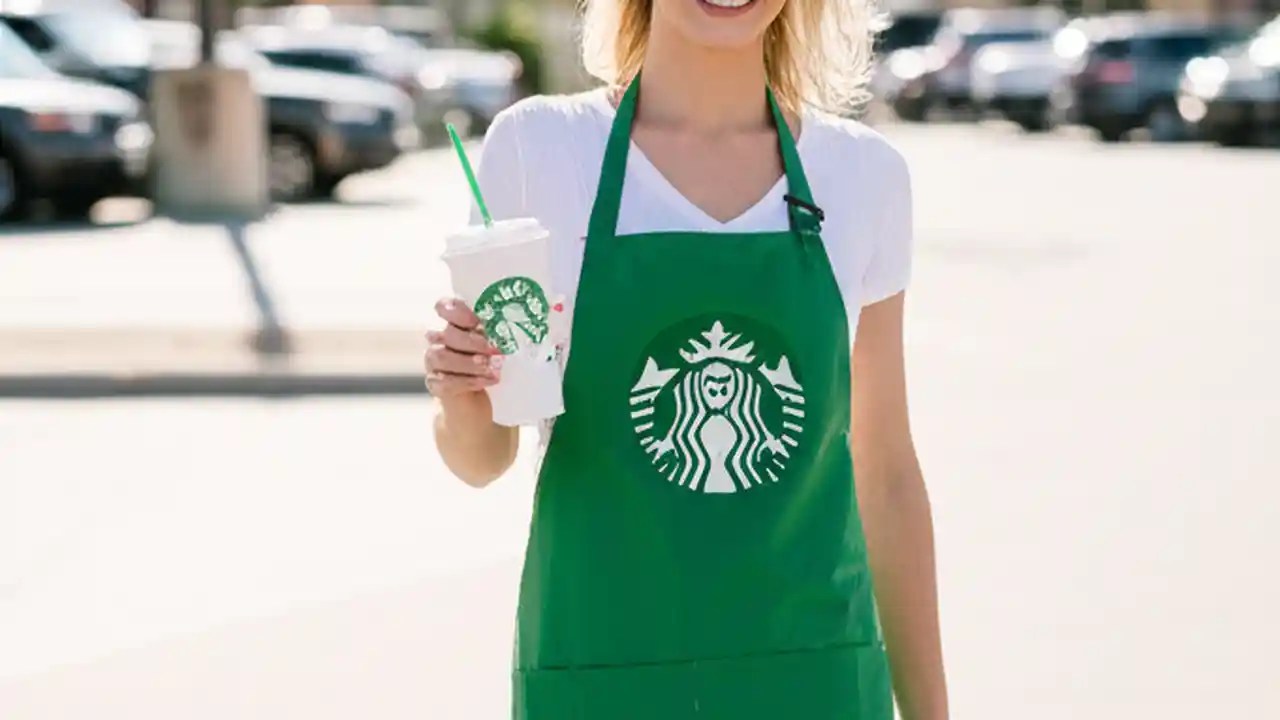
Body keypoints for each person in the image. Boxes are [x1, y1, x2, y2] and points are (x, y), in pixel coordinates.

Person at [425, 0, 947, 717]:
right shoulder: (540, 150)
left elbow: (885, 473)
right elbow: (485, 456)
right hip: (601, 672)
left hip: (812, 674)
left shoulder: (863, 174)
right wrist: (461, 395)